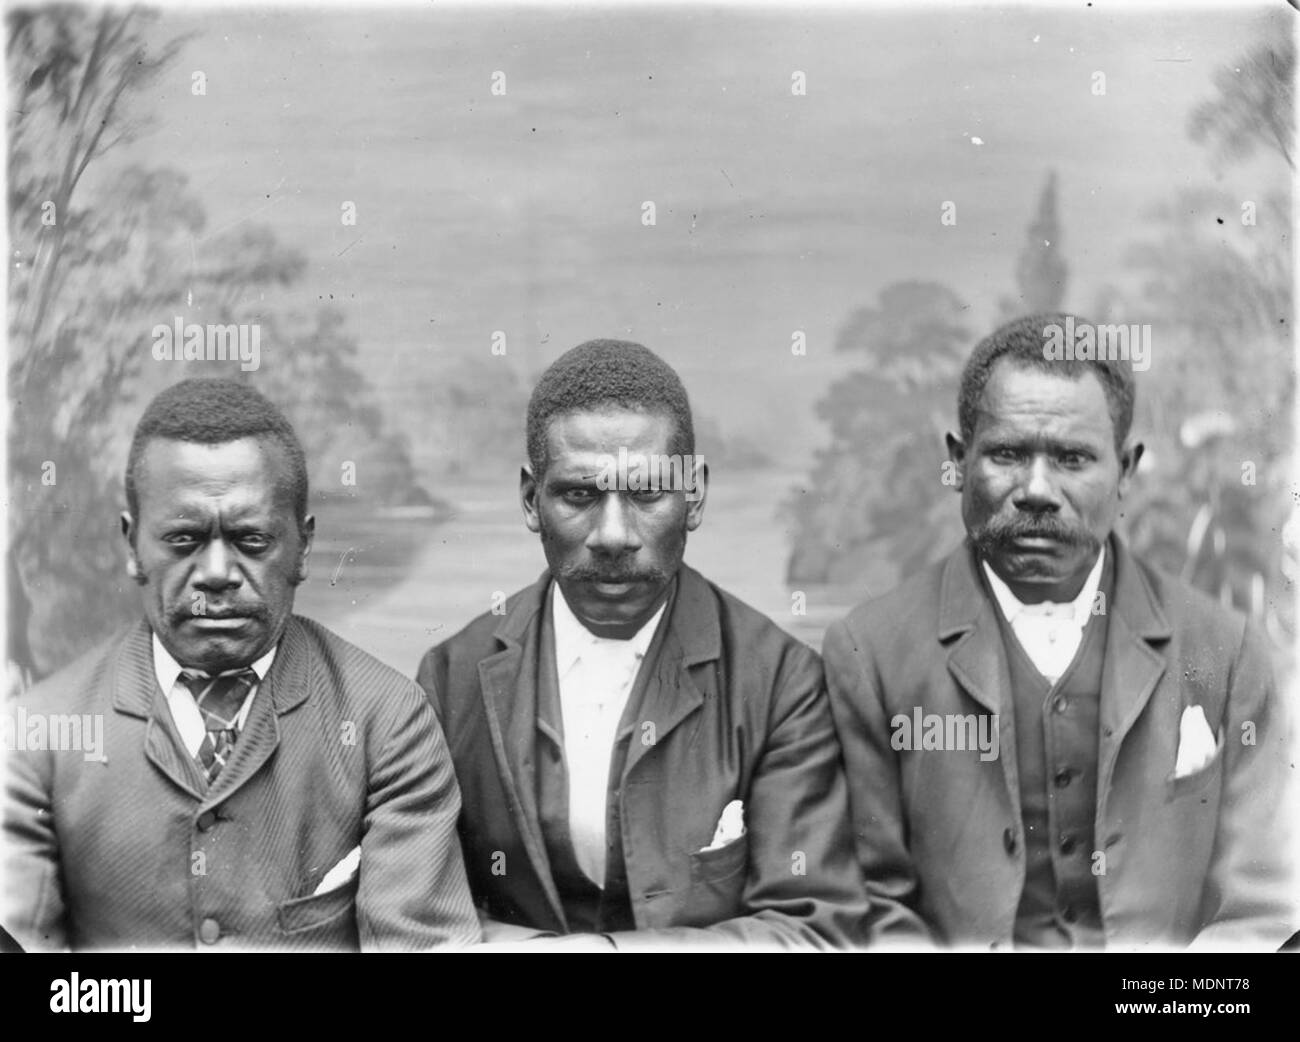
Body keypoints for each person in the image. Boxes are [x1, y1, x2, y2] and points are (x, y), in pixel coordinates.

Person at [823, 313, 1294, 950]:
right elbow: (870, 907)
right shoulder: (870, 652)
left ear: (1126, 471)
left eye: (1073, 458)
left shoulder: (1224, 651)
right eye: (1007, 454)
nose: (1037, 490)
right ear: (959, 462)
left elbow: (1261, 908)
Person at [417, 339, 867, 949]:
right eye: (580, 494)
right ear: (531, 500)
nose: (612, 534)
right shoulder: (452, 678)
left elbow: (815, 928)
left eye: (648, 492)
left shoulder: (782, 682)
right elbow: (417, 914)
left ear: (695, 495)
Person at [3, 378, 479, 951]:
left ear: (302, 548)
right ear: (132, 547)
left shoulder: (388, 721)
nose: (216, 573)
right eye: (183, 539)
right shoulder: (36, 738)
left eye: (251, 539)